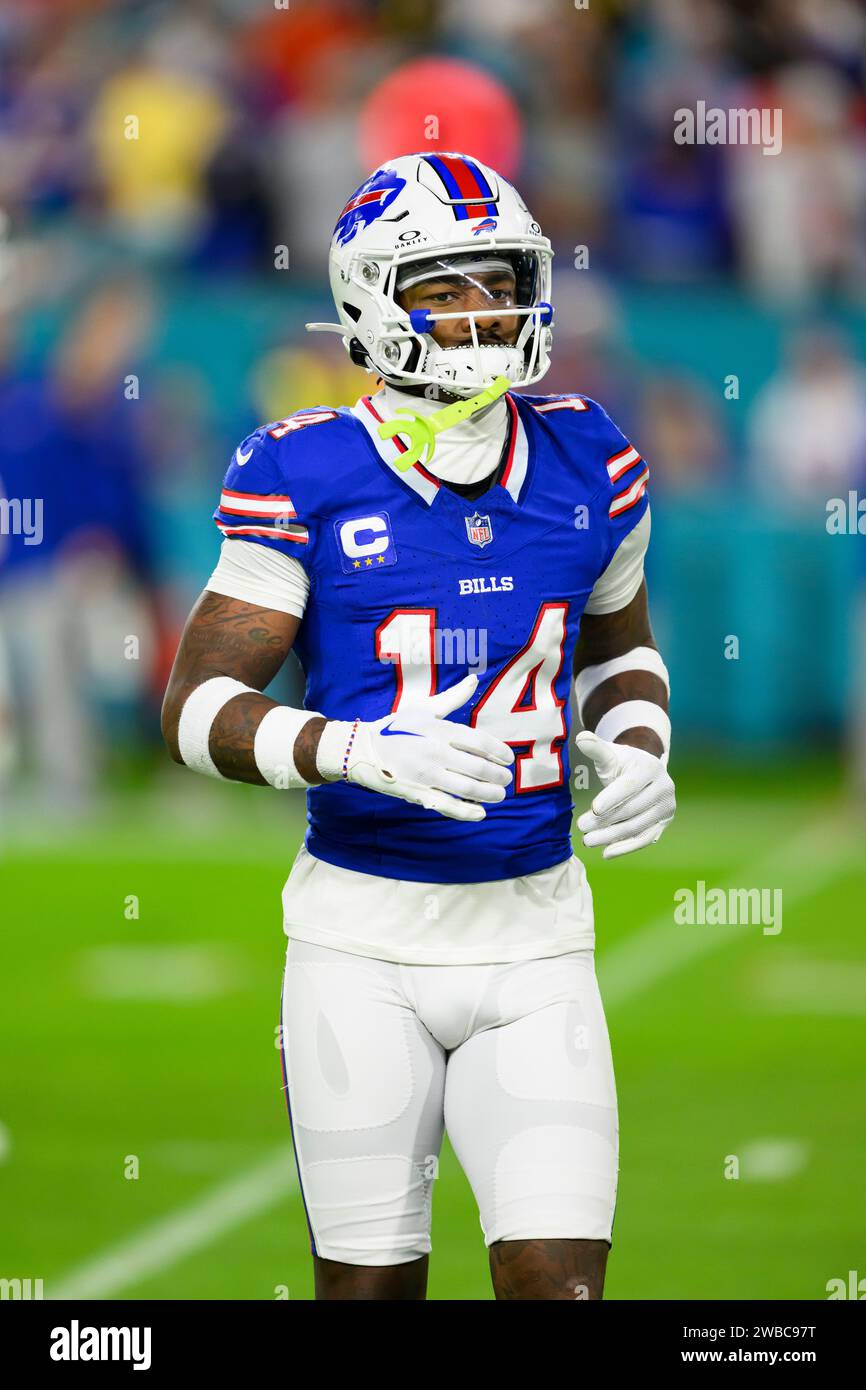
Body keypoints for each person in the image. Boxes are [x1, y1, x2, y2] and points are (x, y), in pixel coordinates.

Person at [161, 152, 676, 1301]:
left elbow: (618, 649)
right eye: (443, 288)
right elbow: (193, 710)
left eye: (496, 281)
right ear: (372, 303)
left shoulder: (588, 452)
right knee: (369, 1295)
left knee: (559, 1290)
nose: (482, 311)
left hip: (537, 936)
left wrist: (638, 741)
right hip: (359, 944)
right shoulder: (305, 468)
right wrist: (351, 750)